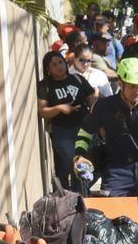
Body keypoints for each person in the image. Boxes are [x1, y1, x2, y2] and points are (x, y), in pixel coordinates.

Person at [73, 58, 138, 196]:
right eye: (132, 86)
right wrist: (79, 155)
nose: (137, 92)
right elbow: (85, 132)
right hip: (116, 171)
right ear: (120, 83)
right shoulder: (103, 106)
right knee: (112, 212)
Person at [37, 50, 96, 190]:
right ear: (48, 69)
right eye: (54, 64)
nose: (59, 66)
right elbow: (43, 112)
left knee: (85, 168)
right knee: (77, 166)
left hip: (84, 131)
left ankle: (80, 200)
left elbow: (92, 100)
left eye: (60, 62)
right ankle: (79, 202)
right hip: (63, 134)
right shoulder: (45, 85)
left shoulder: (77, 79)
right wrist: (60, 108)